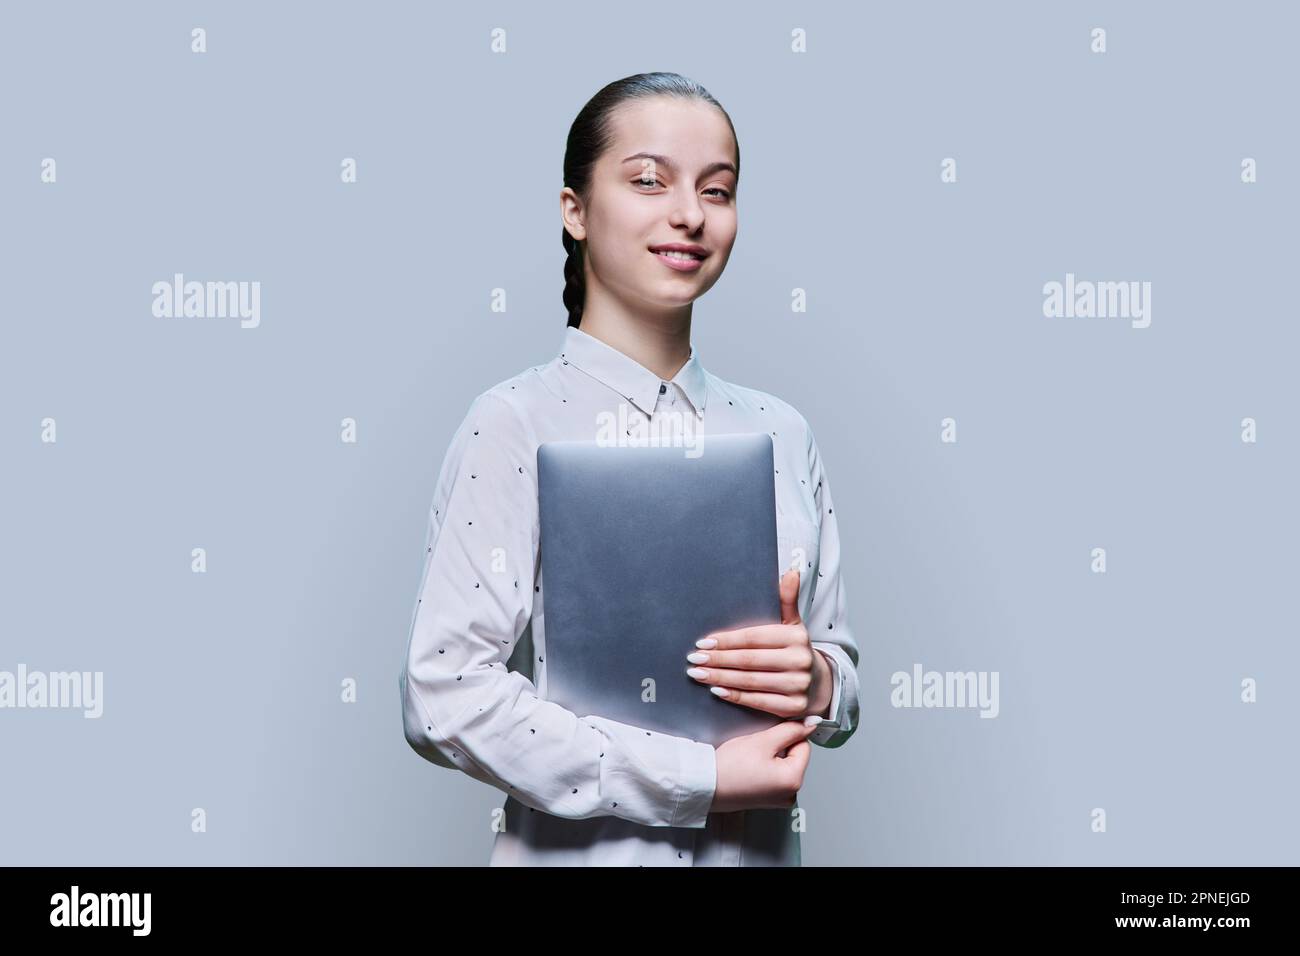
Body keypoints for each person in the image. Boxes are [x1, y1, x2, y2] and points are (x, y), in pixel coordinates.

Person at [400, 72, 859, 866]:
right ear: (574, 210)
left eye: (717, 190)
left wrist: (817, 680)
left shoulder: (784, 433)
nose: (688, 213)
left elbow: (843, 684)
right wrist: (701, 778)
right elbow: (442, 694)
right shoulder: (512, 425)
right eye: (649, 180)